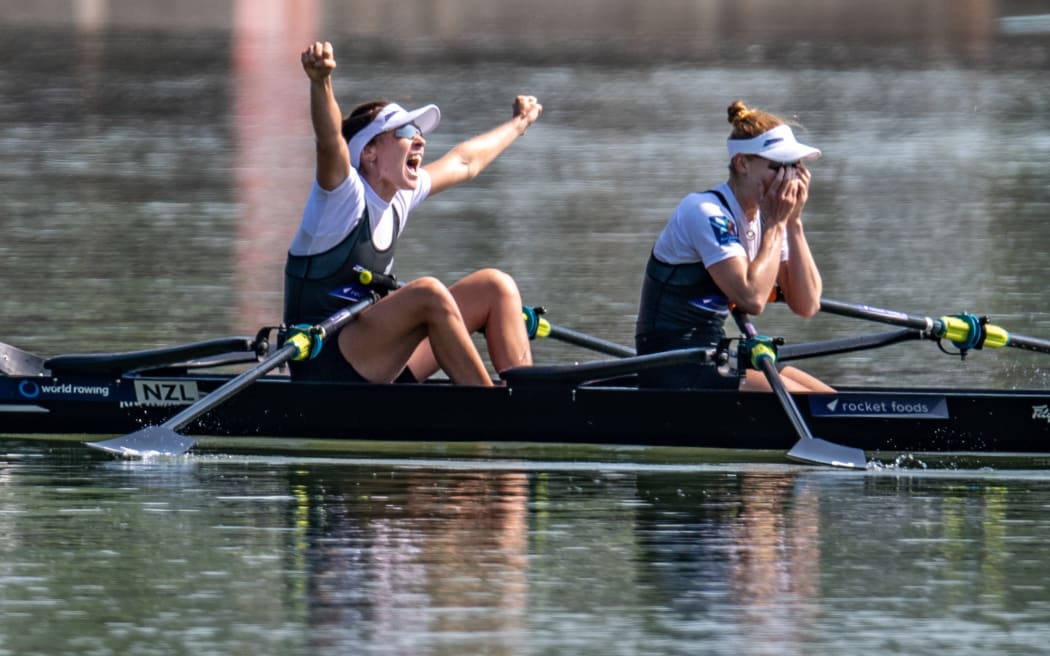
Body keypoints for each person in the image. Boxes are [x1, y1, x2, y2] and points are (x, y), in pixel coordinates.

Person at [284, 41, 543, 387]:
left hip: (377, 358)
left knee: (496, 286)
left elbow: (466, 162)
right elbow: (330, 140)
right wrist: (320, 82)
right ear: (370, 153)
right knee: (428, 294)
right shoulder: (342, 197)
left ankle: (530, 400)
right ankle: (491, 411)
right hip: (325, 367)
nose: (420, 140)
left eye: (420, 132)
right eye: (406, 132)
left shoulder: (398, 198)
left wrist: (519, 124)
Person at [635, 100, 833, 393]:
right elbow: (752, 299)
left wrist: (794, 223)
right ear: (742, 163)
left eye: (794, 167)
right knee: (809, 404)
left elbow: (806, 304)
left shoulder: (766, 219)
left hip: (715, 356)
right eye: (777, 167)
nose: (788, 179)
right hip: (672, 367)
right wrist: (777, 224)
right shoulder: (704, 211)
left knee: (827, 400)